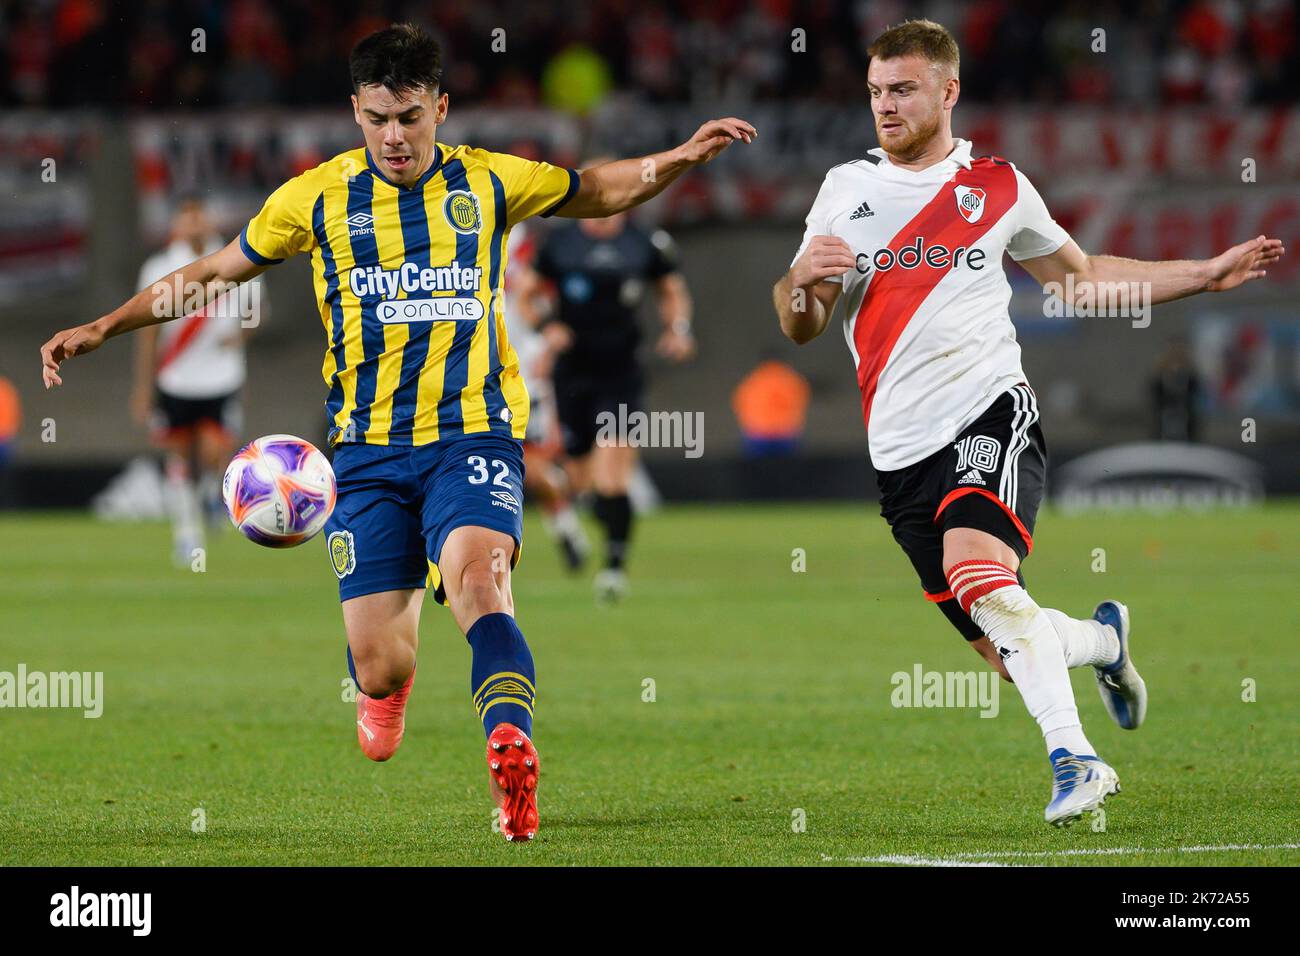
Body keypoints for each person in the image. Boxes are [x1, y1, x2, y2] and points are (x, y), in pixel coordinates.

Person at [40, 22, 755, 843]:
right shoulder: (313, 198)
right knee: (381, 663)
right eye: (378, 118)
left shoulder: (490, 181)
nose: (395, 136)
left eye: (410, 116)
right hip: (368, 454)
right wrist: (104, 326)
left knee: (482, 584)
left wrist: (679, 159)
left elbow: (597, 189)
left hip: (474, 435)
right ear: (355, 111)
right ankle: (385, 691)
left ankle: (509, 750)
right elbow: (208, 275)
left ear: (441, 108)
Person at [772, 18, 1283, 826]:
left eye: (901, 89)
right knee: (1010, 646)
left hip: (989, 411)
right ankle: (1104, 642)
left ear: (948, 90)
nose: (885, 107)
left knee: (982, 575)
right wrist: (799, 280)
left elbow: (1079, 281)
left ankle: (1076, 761)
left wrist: (1202, 275)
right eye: (875, 92)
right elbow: (801, 322)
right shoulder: (845, 191)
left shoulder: (1000, 188)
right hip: (899, 452)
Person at [514, 182, 695, 601]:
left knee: (613, 471)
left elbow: (671, 289)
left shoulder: (644, 242)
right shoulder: (560, 243)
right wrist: (546, 328)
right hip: (572, 374)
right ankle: (583, 522)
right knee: (581, 480)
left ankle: (614, 568)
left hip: (621, 373)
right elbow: (527, 296)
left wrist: (678, 329)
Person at [130, 196, 264, 564]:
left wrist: (241, 336)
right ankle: (187, 534)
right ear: (176, 222)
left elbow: (255, 312)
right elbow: (147, 333)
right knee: (179, 458)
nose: (194, 224)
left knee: (212, 453)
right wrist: (143, 387)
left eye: (199, 216)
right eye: (187, 217)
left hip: (222, 377)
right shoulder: (159, 267)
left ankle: (210, 496)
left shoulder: (238, 258)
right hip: (175, 379)